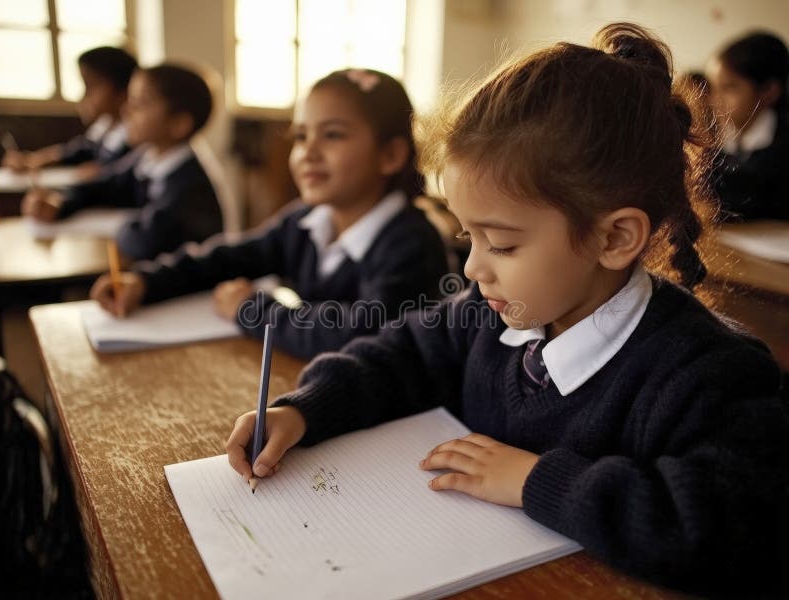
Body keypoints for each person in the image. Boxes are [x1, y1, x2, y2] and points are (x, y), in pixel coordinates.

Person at [226, 24, 789, 594]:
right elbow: (397, 354)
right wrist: (305, 409)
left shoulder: (709, 373)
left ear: (615, 238)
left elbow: (722, 530)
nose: (472, 268)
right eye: (469, 238)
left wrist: (534, 480)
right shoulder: (490, 311)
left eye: (503, 244)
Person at [89, 69, 450, 359]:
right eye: (301, 136)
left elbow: (364, 331)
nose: (307, 152)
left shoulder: (412, 243)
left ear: (390, 156)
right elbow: (227, 258)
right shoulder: (305, 222)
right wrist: (148, 281)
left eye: (333, 135)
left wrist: (254, 311)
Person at [22, 64, 224, 261]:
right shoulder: (146, 158)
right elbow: (105, 185)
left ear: (179, 124)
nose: (126, 110)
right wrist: (60, 202)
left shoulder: (189, 188)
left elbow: (145, 243)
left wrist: (120, 225)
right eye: (130, 100)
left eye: (140, 104)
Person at [2, 46, 137, 174]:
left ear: (122, 90)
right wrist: (34, 160)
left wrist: (103, 171)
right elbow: (78, 150)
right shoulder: (104, 127)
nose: (84, 97)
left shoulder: (134, 134)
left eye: (90, 88)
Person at [707, 31, 789, 220]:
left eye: (729, 88)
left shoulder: (783, 149)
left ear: (769, 91)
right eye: (713, 87)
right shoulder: (712, 138)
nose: (714, 100)